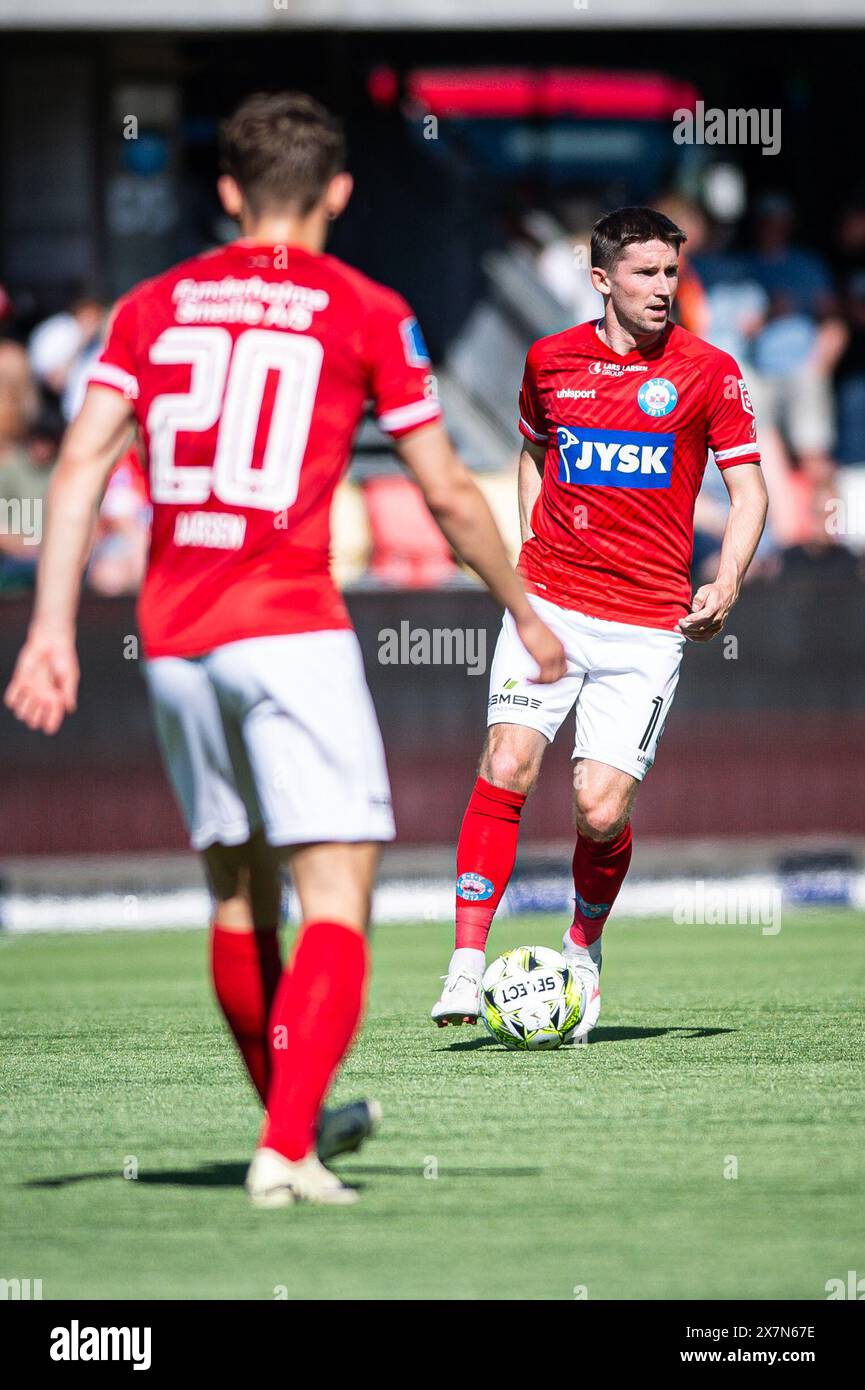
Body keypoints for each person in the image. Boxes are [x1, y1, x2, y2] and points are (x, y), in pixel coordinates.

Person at [4, 92, 564, 1208]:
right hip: (289, 625)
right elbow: (446, 489)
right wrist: (526, 607)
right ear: (339, 194)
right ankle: (283, 1148)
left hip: (171, 636)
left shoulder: (151, 305)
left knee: (237, 896)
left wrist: (52, 631)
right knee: (339, 895)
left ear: (226, 193)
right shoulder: (361, 306)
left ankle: (292, 1129)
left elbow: (75, 468)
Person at [431, 206, 769, 1035]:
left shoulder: (708, 371)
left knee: (599, 808)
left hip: (647, 624)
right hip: (549, 602)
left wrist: (725, 581)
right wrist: (524, 556)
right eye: (645, 273)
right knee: (507, 761)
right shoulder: (548, 361)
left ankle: (582, 946)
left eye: (669, 272)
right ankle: (465, 966)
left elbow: (751, 489)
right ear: (600, 279)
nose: (662, 288)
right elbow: (534, 453)